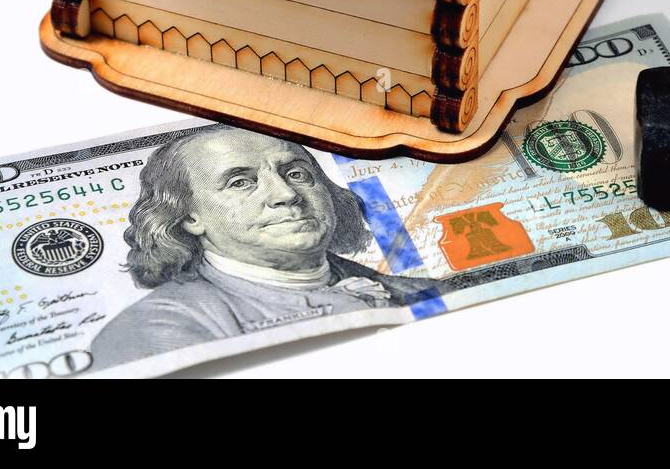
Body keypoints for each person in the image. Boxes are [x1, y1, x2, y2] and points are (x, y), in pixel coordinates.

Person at [89, 125, 442, 371]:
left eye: (297, 174)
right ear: (189, 216)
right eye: (241, 182)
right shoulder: (156, 330)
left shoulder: (421, 293)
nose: (286, 194)